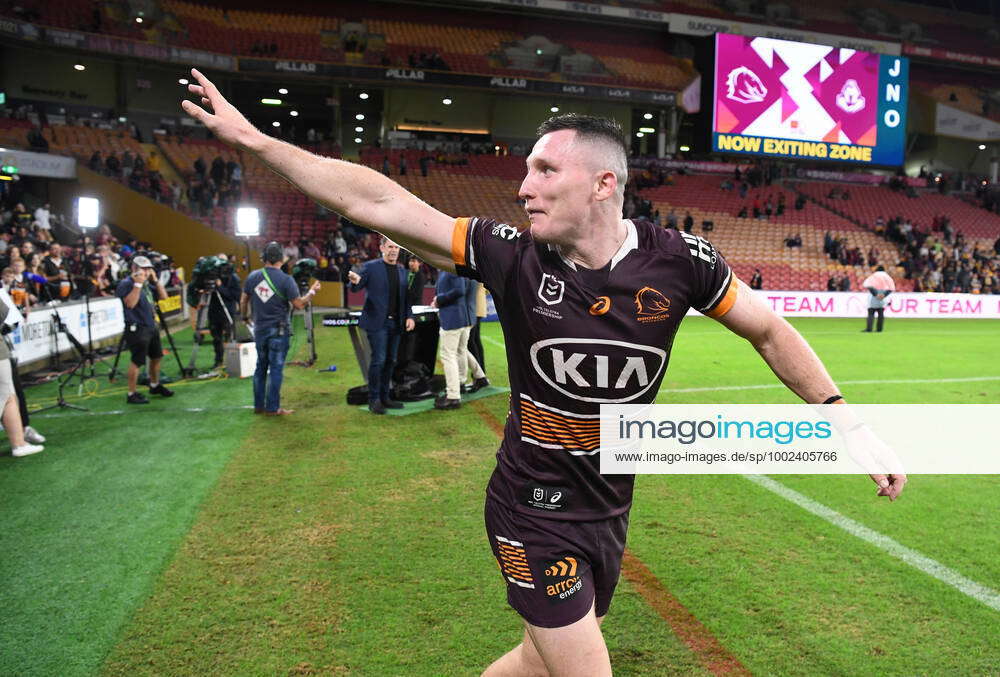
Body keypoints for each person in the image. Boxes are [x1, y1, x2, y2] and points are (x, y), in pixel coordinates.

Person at [182, 73, 907, 675]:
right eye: (526, 168)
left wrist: (846, 419)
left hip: (609, 504)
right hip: (532, 506)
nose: (522, 185)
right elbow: (378, 201)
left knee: (536, 659)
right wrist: (253, 139)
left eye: (543, 169)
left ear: (602, 184)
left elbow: (771, 329)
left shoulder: (683, 261)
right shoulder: (510, 254)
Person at [240, 242, 319, 415]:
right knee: (276, 369)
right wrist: (311, 293)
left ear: (265, 258)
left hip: (259, 329)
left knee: (260, 367)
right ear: (280, 259)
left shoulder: (253, 276)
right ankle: (273, 408)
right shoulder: (286, 279)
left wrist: (244, 317)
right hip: (279, 330)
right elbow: (298, 304)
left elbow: (244, 299)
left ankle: (258, 406)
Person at [346, 238, 415, 414]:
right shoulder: (370, 267)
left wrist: (409, 316)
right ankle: (374, 399)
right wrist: (353, 281)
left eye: (396, 247)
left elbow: (406, 299)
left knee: (391, 361)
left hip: (396, 323)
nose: (393, 250)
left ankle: (386, 397)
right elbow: (356, 287)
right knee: (378, 360)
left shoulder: (401, 271)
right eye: (390, 246)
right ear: (382, 248)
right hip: (377, 323)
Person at [115, 256, 174, 404]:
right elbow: (130, 304)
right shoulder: (126, 283)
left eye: (148, 269)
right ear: (134, 269)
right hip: (137, 327)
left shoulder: (147, 283)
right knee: (137, 361)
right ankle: (131, 393)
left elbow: (163, 296)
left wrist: (155, 281)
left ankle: (154, 385)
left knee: (157, 356)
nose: (147, 272)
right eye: (144, 269)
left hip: (150, 325)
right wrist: (138, 284)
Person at [431, 270, 471, 409]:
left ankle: (453, 396)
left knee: (448, 356)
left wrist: (439, 299)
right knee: (459, 352)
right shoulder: (448, 267)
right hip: (459, 317)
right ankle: (459, 384)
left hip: (452, 319)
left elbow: (459, 290)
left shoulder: (449, 267)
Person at [209, 258, 241, 368]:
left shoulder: (233, 278)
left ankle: (232, 362)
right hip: (214, 312)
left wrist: (220, 287)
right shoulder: (212, 278)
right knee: (216, 339)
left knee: (230, 337)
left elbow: (234, 296)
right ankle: (218, 361)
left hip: (227, 312)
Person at [463, 277, 489, 393]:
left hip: (474, 306)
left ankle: (478, 377)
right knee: (475, 341)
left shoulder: (475, 266)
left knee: (471, 342)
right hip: (478, 305)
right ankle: (481, 376)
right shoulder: (481, 266)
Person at [862, 266, 894, 333]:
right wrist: (884, 295)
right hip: (883, 296)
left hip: (873, 297)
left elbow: (867, 285)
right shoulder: (888, 277)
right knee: (881, 313)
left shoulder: (873, 276)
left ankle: (869, 328)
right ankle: (879, 329)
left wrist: (876, 294)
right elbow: (891, 288)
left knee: (871, 312)